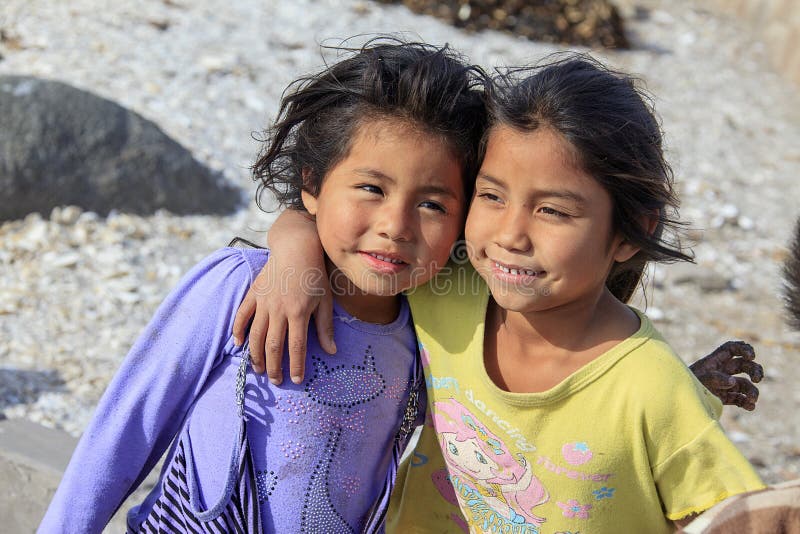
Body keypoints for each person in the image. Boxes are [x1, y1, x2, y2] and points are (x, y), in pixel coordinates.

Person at [233, 54, 766, 532]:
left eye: (552, 210)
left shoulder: (653, 390)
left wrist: (672, 403)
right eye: (491, 196)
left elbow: (744, 519)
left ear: (632, 231)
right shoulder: (452, 290)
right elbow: (333, 222)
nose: (511, 236)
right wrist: (294, 257)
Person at [39, 39, 487, 533]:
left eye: (432, 205)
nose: (396, 226)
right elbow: (127, 426)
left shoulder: (430, 334)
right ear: (311, 185)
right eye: (371, 188)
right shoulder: (242, 287)